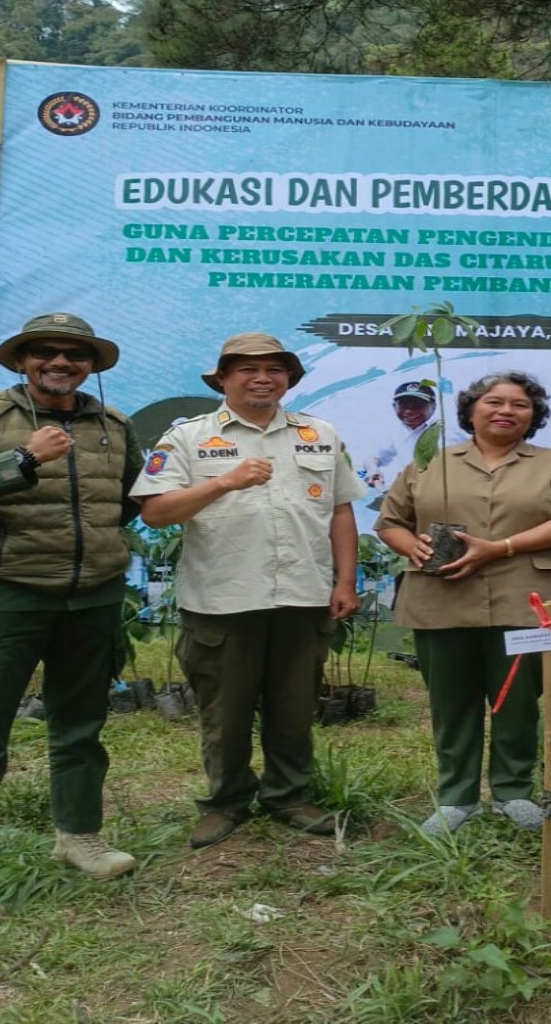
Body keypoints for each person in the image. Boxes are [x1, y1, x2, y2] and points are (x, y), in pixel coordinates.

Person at [0, 312, 144, 922]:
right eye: (46, 352)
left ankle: (78, 837)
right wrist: (21, 460)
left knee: (81, 728)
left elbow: (131, 502)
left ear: (91, 364)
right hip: (2, 599)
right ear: (22, 360)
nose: (61, 362)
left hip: (92, 598)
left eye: (75, 353)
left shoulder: (113, 426)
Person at [133, 333, 366, 849]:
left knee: (294, 707)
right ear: (222, 379)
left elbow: (341, 510)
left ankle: (289, 797)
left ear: (289, 379)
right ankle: (225, 802)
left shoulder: (319, 433)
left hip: (303, 597)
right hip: (222, 600)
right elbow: (155, 512)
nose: (262, 377)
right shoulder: (187, 438)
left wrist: (345, 580)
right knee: (225, 713)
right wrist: (223, 482)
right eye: (246, 369)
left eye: (274, 369)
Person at [376, 371, 551, 835]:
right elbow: (391, 521)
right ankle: (456, 799)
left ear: (534, 415)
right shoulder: (429, 462)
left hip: (529, 598)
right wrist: (409, 547)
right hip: (442, 596)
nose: (505, 411)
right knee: (450, 700)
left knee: (517, 701)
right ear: (471, 411)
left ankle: (513, 792)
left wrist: (502, 547)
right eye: (493, 402)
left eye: (520, 404)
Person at [364, 380, 438, 488]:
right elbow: (373, 457)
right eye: (404, 406)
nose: (409, 411)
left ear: (433, 407)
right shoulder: (395, 433)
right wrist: (373, 469)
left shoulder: (447, 433)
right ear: (394, 407)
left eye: (417, 405)